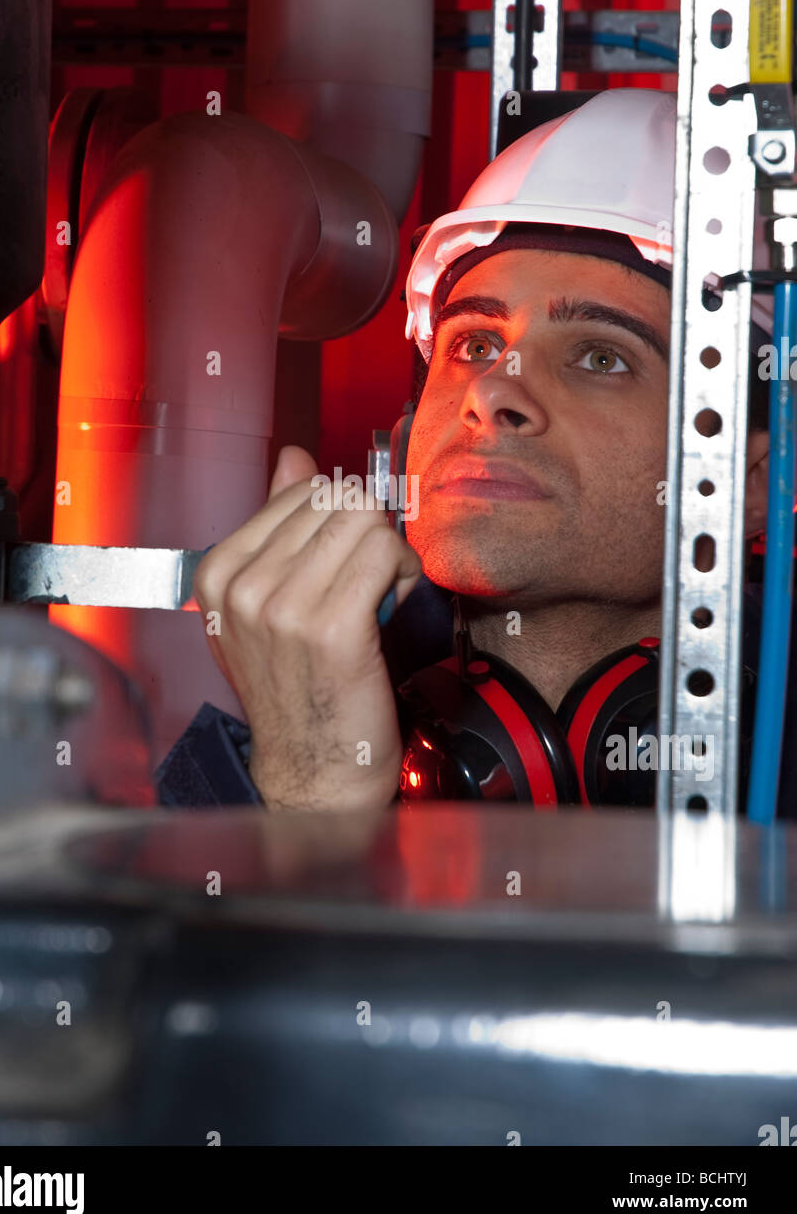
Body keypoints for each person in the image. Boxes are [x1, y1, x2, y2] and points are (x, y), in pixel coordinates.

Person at [155, 88, 795, 815]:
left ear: (749, 480)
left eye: (600, 358)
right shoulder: (230, 792)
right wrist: (308, 788)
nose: (491, 392)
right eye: (476, 343)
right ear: (404, 441)